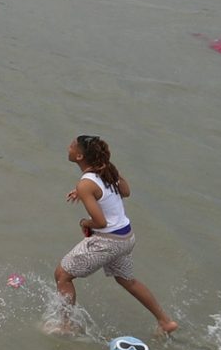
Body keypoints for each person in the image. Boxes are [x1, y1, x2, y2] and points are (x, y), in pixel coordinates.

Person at [54, 133, 179, 334]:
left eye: (72, 146)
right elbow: (125, 191)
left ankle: (65, 325)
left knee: (62, 275)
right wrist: (84, 191)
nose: (68, 147)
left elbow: (100, 222)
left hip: (108, 241)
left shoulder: (86, 183)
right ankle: (165, 321)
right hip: (126, 238)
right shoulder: (106, 171)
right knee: (127, 280)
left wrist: (84, 222)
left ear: (79, 157)